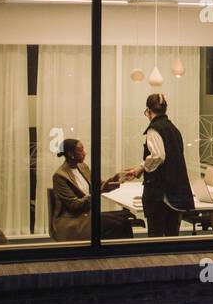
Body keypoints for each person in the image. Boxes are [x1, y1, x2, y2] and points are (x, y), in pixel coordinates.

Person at [124, 93, 194, 237]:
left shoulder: (154, 129)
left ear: (148, 111)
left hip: (160, 193)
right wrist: (140, 168)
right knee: (171, 234)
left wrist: (141, 167)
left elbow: (158, 156)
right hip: (175, 191)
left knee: (155, 235)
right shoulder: (174, 129)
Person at [51, 138, 135, 241]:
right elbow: (74, 205)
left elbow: (99, 185)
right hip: (74, 219)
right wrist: (97, 192)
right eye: (80, 150)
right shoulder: (60, 176)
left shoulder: (82, 167)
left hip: (88, 214)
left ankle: (125, 255)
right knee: (117, 225)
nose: (84, 153)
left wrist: (118, 177)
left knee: (124, 221)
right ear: (70, 154)